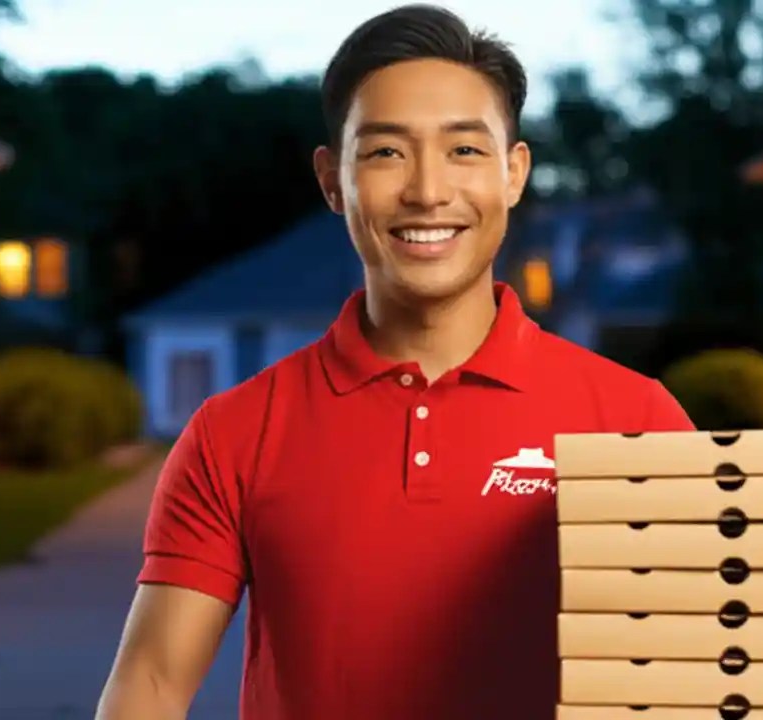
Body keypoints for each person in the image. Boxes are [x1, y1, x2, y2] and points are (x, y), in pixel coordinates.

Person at [95, 4, 694, 719]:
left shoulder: (634, 419)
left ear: (514, 172)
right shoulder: (235, 433)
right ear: (331, 180)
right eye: (386, 152)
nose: (427, 191)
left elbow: (695, 672)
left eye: (464, 151)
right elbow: (152, 685)